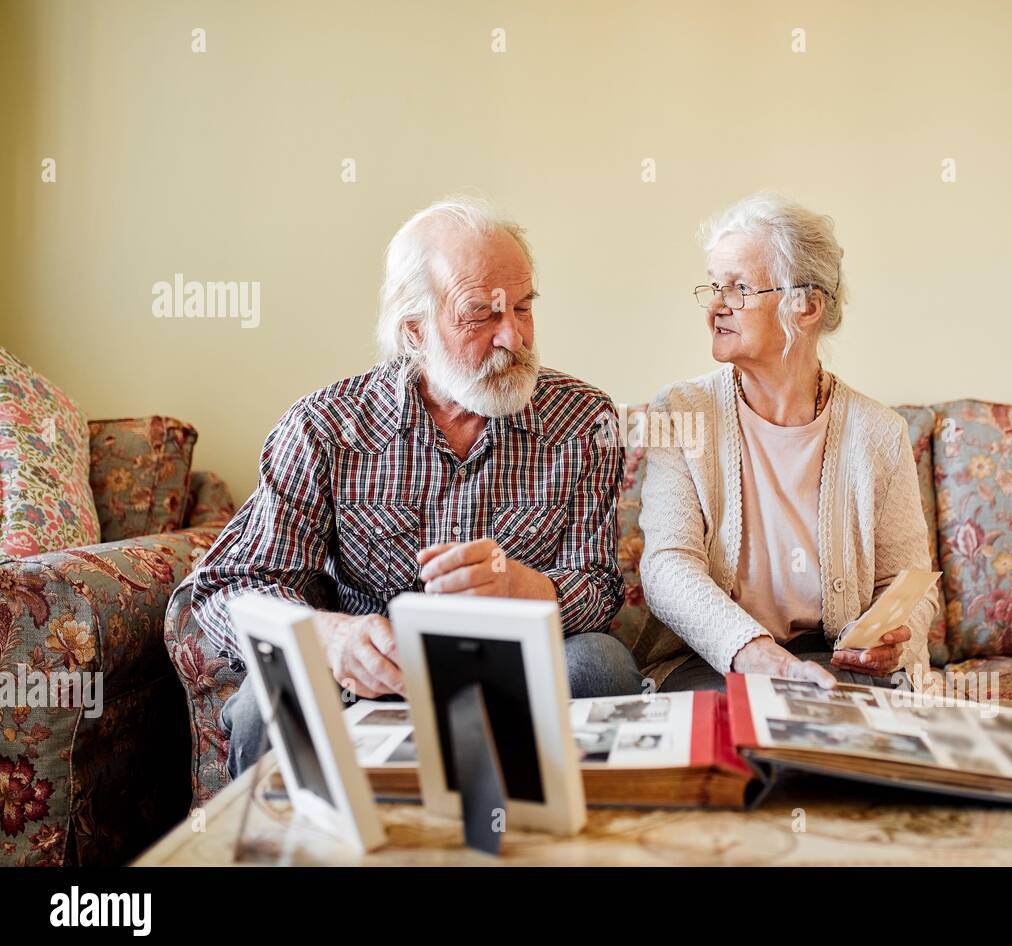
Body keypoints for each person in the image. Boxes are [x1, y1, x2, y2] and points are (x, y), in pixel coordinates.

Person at [192, 197, 642, 778]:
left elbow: (601, 588)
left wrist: (523, 587)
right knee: (266, 703)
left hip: (515, 665)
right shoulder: (326, 427)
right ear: (414, 331)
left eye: (524, 308)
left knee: (602, 668)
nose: (514, 337)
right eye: (481, 315)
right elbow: (229, 588)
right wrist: (325, 638)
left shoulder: (582, 420)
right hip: (369, 677)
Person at [637, 193, 939, 693]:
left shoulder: (878, 432)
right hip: (715, 659)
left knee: (865, 748)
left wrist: (893, 640)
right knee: (752, 738)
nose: (716, 307)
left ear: (806, 306)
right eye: (714, 287)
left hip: (836, 660)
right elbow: (668, 565)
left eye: (738, 288)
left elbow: (906, 583)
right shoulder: (682, 412)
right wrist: (757, 655)